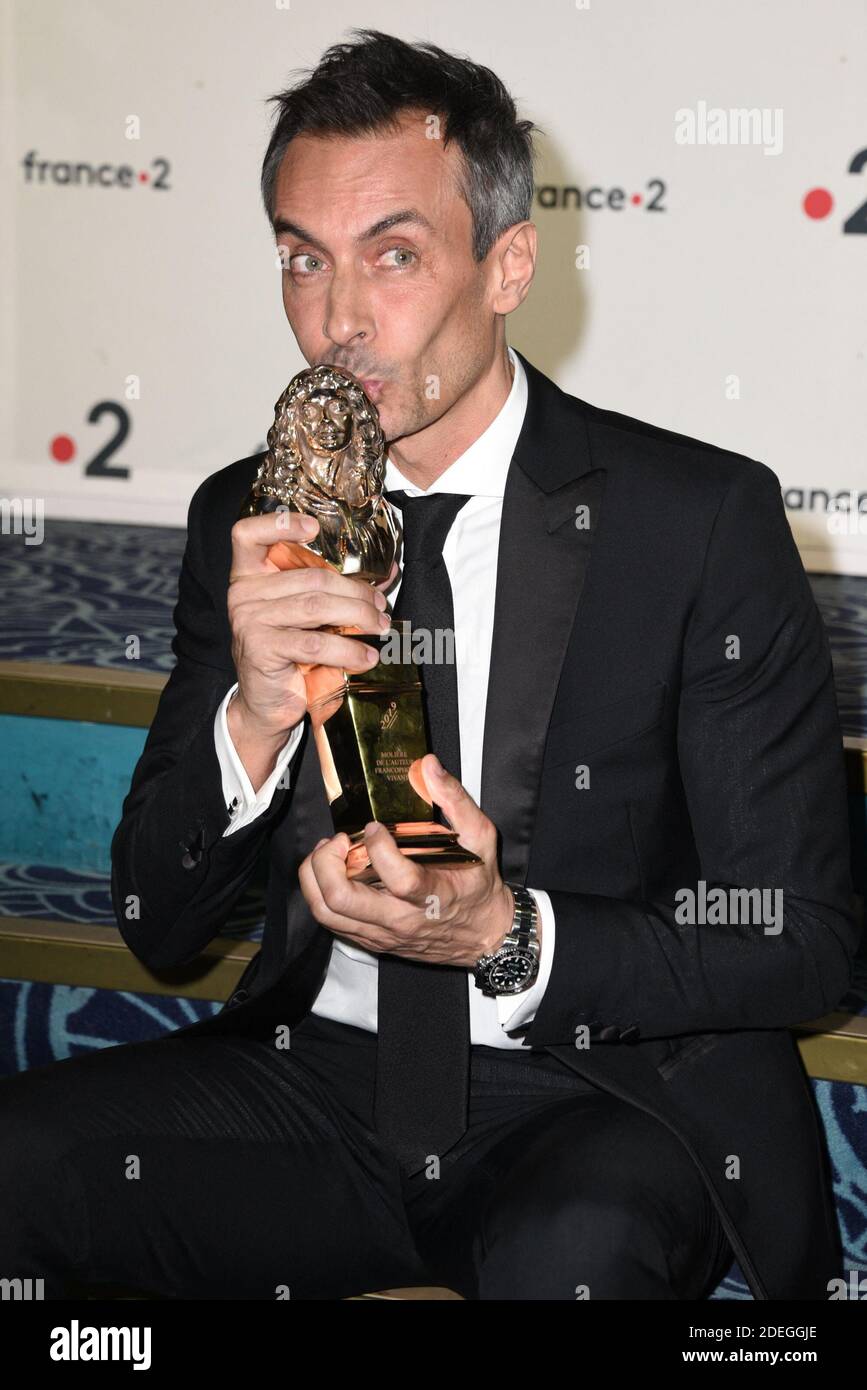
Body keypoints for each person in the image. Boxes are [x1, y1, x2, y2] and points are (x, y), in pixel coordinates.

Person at [0, 28, 857, 1302]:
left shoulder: (695, 520)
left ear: (509, 265)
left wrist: (510, 935)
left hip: (594, 1083)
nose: (338, 320)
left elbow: (806, 939)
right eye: (305, 259)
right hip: (315, 1076)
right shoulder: (250, 518)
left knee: (571, 1258)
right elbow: (157, 926)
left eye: (393, 255)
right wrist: (253, 715)